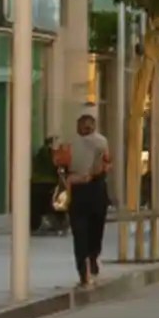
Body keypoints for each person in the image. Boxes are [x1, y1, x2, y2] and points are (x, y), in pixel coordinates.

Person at [67, 114, 111, 288]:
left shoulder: (99, 142)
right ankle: (85, 265)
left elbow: (106, 164)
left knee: (90, 230)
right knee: (83, 231)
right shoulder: (72, 143)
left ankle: (90, 259)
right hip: (84, 191)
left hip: (91, 190)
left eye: (88, 126)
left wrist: (91, 174)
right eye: (83, 126)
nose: (86, 129)